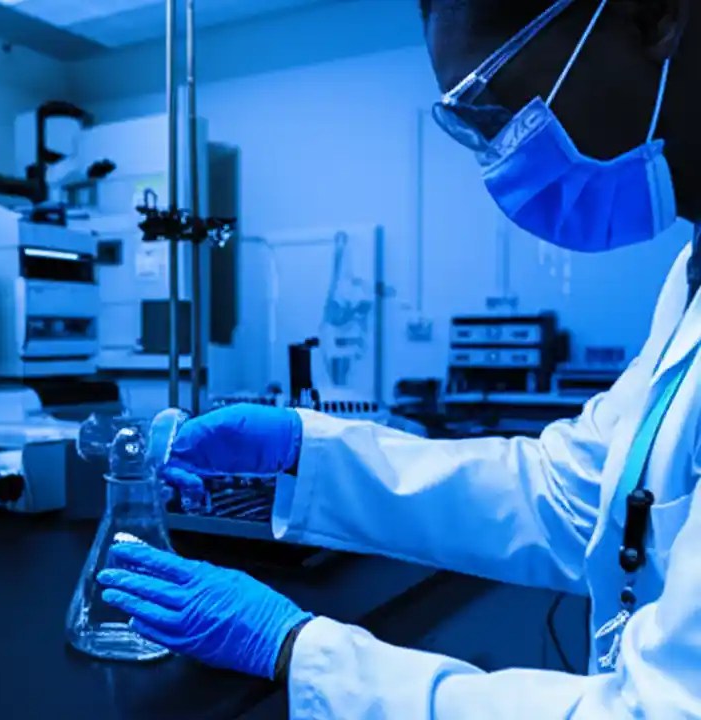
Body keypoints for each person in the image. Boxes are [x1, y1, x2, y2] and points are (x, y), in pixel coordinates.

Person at [97, 0, 701, 716]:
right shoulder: (688, 279)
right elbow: (573, 497)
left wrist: (297, 650)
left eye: (496, 105)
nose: (498, 154)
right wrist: (308, 452)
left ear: (652, 16)